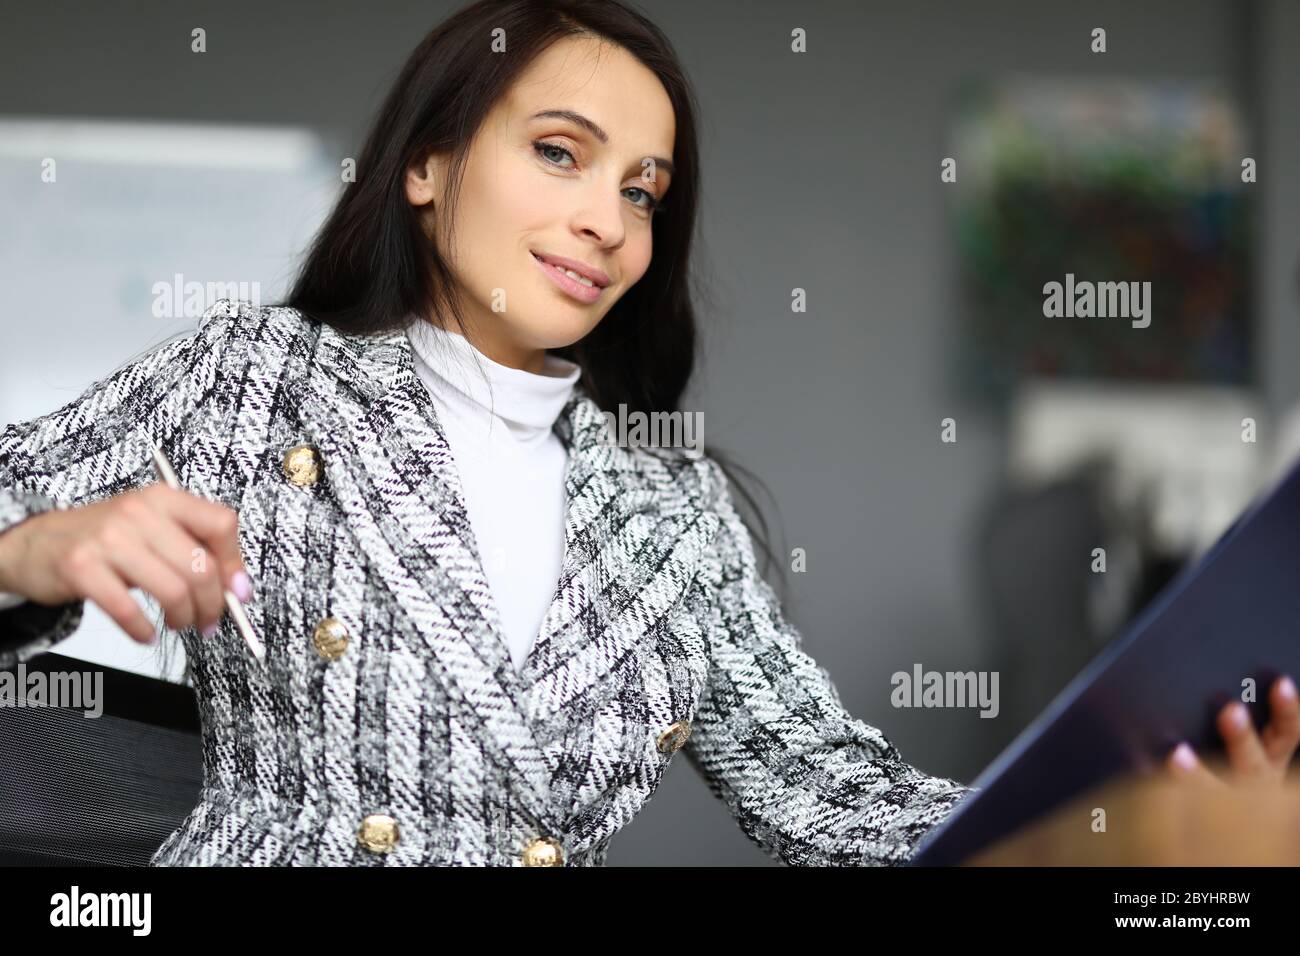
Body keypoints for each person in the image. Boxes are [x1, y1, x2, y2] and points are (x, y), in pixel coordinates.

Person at [0, 0, 1295, 867]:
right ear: (428, 165)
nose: (612, 221)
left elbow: (839, 798)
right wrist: (37, 547)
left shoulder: (671, 516)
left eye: (644, 191)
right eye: (560, 152)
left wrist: (1137, 804)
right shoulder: (257, 378)